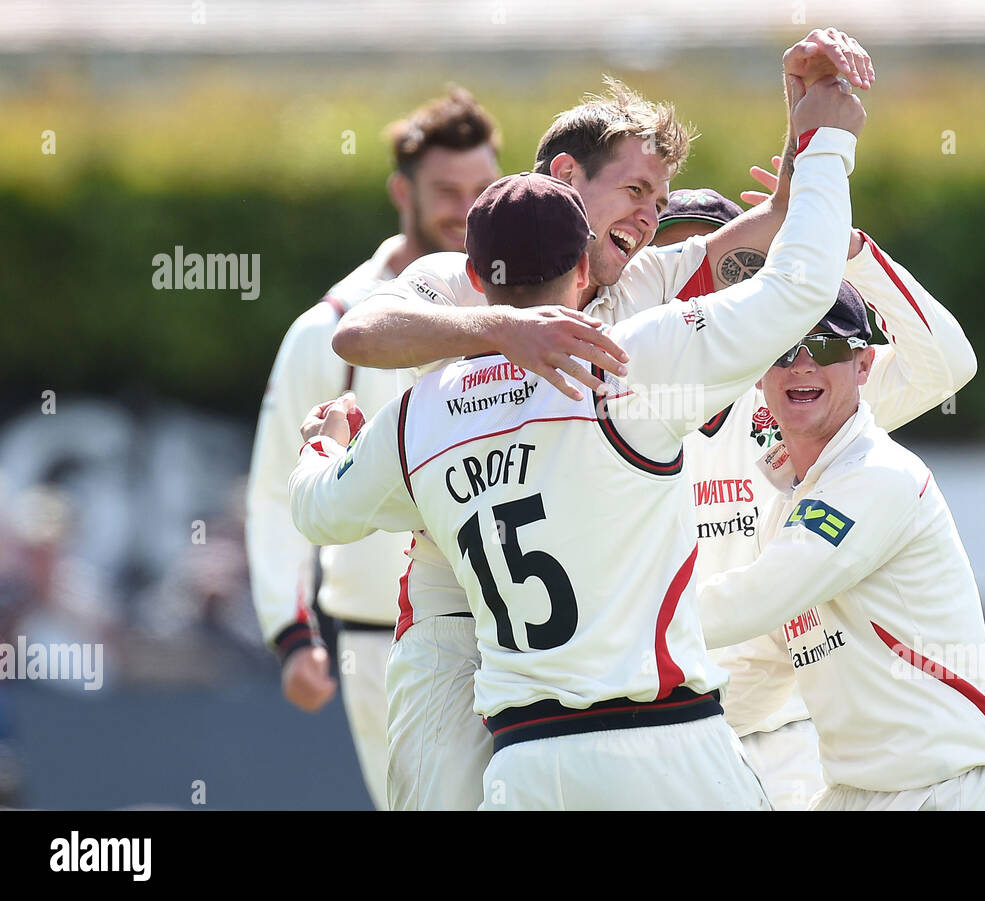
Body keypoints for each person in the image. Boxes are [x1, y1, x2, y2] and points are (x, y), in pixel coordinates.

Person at [326, 30, 876, 810]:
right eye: (636, 191)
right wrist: (502, 328)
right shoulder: (461, 276)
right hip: (460, 614)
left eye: (660, 199)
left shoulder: (647, 278)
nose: (652, 216)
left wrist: (802, 108)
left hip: (583, 634)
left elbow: (783, 218)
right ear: (564, 175)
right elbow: (358, 334)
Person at [650, 187, 978, 808]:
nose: (695, 288)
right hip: (695, 726)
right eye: (672, 262)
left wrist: (850, 250)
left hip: (800, 739)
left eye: (729, 264)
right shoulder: (623, 408)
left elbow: (945, 365)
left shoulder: (802, 398)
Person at [244, 87, 501, 809]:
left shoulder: (527, 308)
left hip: (511, 628)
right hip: (380, 636)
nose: (464, 208)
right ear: (402, 192)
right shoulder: (330, 326)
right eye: (445, 191)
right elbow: (274, 486)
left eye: (481, 190)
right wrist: (291, 632)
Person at [697, 287, 985, 811]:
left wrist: (625, 622)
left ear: (864, 363)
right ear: (756, 371)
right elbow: (761, 666)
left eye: (824, 346)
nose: (801, 366)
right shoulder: (789, 501)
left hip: (943, 790)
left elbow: (756, 598)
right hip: (855, 794)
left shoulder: (878, 474)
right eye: (782, 349)